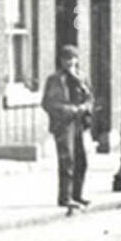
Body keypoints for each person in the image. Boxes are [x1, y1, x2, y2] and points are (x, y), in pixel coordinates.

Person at [42, 45, 94, 212]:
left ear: (77, 60)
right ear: (61, 61)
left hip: (79, 122)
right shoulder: (55, 80)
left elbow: (90, 98)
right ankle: (65, 197)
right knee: (67, 160)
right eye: (66, 59)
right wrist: (69, 109)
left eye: (72, 58)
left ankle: (77, 194)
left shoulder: (82, 78)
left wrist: (85, 107)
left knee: (81, 160)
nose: (70, 62)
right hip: (63, 124)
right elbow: (48, 103)